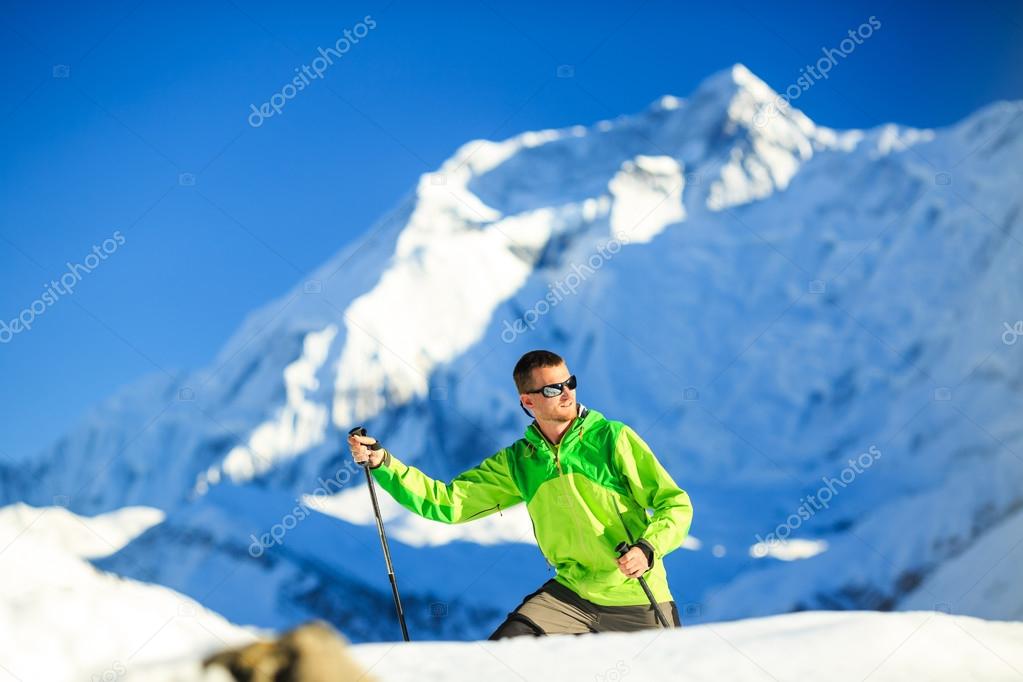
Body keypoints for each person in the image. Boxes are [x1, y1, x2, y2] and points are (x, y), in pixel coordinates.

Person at [347, 349, 693, 637]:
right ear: (527, 401)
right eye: (553, 389)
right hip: (571, 597)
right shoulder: (519, 461)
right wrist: (384, 463)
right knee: (501, 661)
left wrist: (648, 549)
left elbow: (674, 504)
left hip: (637, 599)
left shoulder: (612, 439)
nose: (567, 393)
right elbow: (448, 503)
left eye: (569, 383)